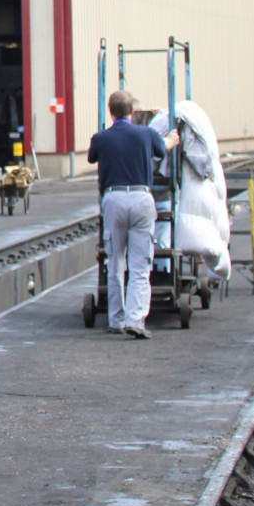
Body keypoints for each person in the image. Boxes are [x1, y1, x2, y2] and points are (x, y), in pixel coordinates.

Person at [88, 90, 179, 339]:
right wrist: (171, 138)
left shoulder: (101, 138)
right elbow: (163, 149)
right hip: (141, 197)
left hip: (114, 198)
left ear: (110, 111)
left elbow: (92, 157)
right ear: (133, 112)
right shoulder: (147, 134)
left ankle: (116, 320)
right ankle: (136, 320)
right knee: (140, 265)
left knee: (115, 262)